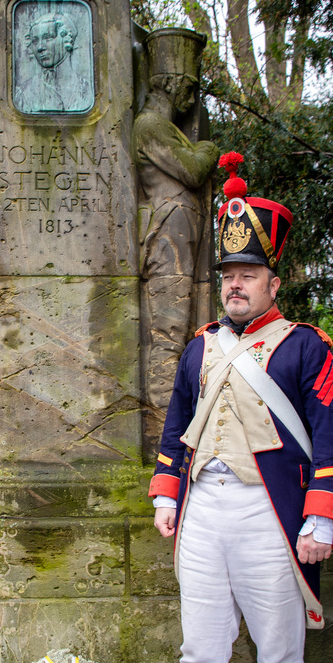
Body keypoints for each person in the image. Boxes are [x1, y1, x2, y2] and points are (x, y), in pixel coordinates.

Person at [125, 152, 333, 663]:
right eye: (228, 275)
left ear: (272, 281)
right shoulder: (200, 347)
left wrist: (320, 518)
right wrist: (168, 490)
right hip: (205, 510)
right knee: (201, 645)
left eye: (247, 274)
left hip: (268, 515)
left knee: (278, 651)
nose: (235, 285)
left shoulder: (305, 346)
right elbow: (176, 423)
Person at [132, 28, 219, 454]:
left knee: (182, 338)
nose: (193, 95)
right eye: (190, 85)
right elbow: (193, 170)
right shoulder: (150, 126)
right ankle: (163, 442)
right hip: (166, 242)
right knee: (167, 339)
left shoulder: (164, 127)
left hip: (179, 241)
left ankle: (177, 434)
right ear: (170, 81)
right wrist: (208, 150)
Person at [15, 12, 93, 114]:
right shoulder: (24, 93)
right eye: (35, 41)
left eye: (48, 37)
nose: (40, 47)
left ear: (66, 38)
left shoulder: (87, 91)